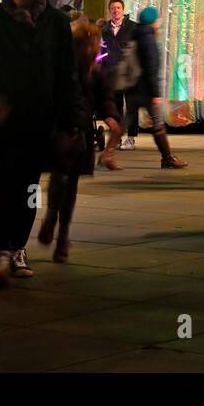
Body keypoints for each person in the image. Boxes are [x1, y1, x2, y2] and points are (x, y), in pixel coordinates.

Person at [0, 0, 88, 286]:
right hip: (4, 125)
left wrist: (73, 121)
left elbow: (67, 76)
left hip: (40, 123)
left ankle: (18, 246)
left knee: (31, 189)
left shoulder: (56, 23)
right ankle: (1, 251)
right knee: (5, 187)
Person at [39, 19, 121, 261]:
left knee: (69, 183)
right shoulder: (62, 69)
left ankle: (62, 234)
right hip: (61, 130)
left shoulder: (95, 71)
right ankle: (53, 220)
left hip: (81, 133)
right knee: (61, 178)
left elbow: (105, 97)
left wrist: (111, 116)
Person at [124, 6, 189, 169]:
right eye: (157, 19)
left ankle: (107, 154)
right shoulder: (149, 38)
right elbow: (151, 69)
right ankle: (167, 158)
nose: (159, 22)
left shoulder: (135, 35)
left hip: (133, 88)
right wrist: (156, 94)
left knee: (126, 120)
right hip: (146, 90)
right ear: (153, 21)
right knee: (158, 124)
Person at [98, 0, 137, 154]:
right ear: (109, 11)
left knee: (132, 106)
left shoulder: (132, 27)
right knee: (116, 106)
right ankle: (117, 137)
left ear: (123, 9)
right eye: (113, 8)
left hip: (129, 73)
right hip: (112, 73)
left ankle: (131, 138)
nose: (116, 11)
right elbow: (101, 50)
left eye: (118, 8)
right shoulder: (105, 29)